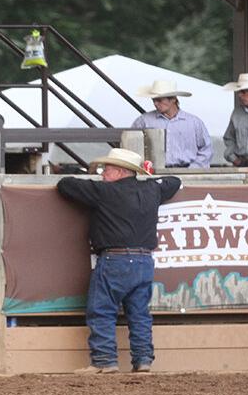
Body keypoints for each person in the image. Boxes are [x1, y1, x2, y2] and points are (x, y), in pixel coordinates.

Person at [56, 148, 182, 374]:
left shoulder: (104, 192)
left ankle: (105, 360)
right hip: (143, 260)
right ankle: (143, 360)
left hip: (114, 259)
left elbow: (65, 185)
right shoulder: (151, 189)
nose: (103, 173)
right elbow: (173, 182)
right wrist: (148, 177)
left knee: (101, 310)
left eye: (108, 169)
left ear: (121, 172)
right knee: (139, 313)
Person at [130, 80, 213, 168]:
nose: (155, 103)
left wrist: (194, 168)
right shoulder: (143, 121)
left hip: (187, 170)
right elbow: (132, 146)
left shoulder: (194, 122)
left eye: (159, 100)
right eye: (153, 100)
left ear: (173, 99)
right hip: (154, 172)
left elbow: (206, 149)